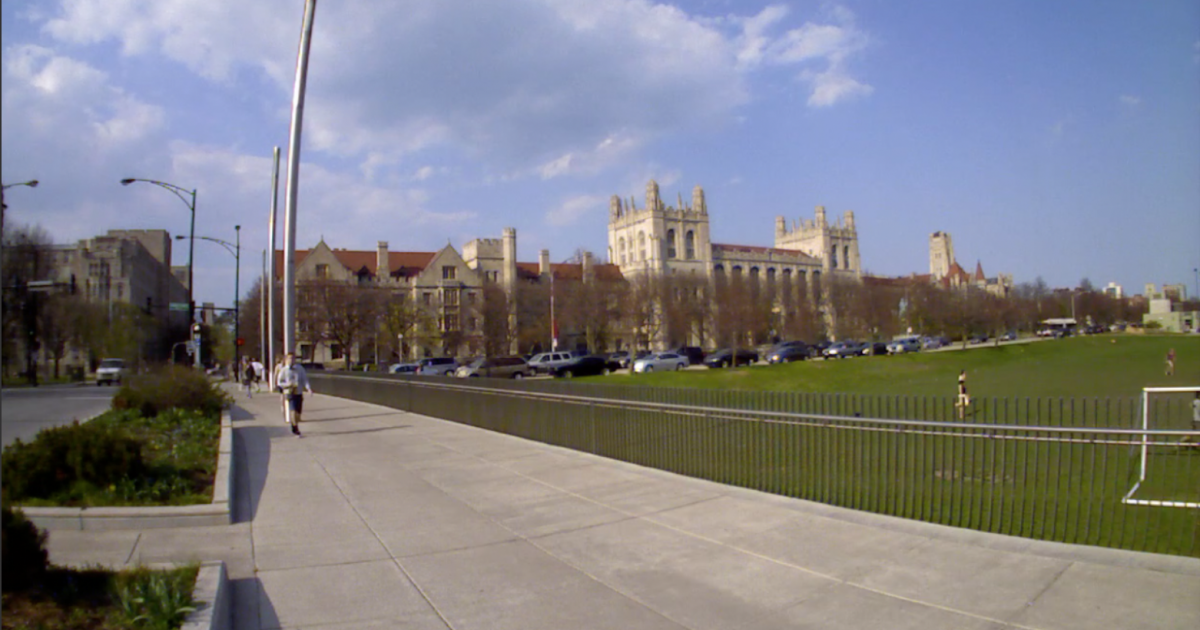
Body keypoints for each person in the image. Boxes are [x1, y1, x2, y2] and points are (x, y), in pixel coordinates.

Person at [276, 353, 313, 436]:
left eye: (292, 358)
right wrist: (287, 385)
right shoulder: (284, 370)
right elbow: (279, 382)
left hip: (298, 392)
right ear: (286, 360)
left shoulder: (300, 369)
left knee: (298, 412)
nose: (291, 360)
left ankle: (295, 423)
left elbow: (304, 379)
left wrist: (308, 388)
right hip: (289, 392)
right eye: (289, 358)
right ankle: (295, 427)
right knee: (292, 410)